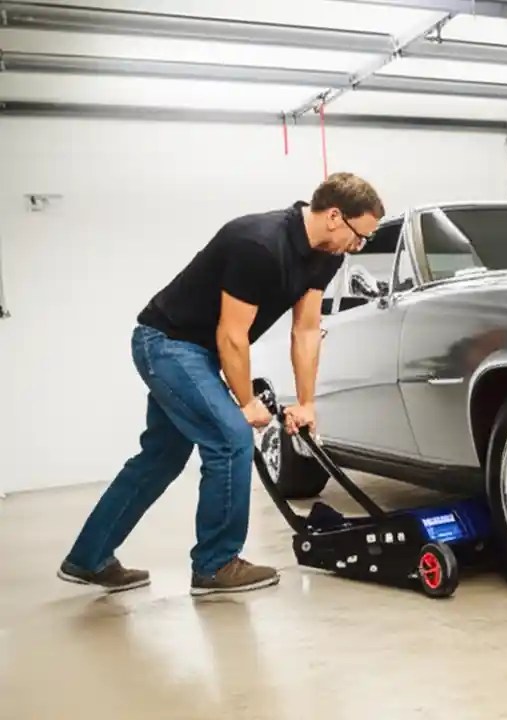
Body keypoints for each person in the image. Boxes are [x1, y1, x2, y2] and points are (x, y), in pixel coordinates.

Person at [58, 172, 385, 596]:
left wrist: (306, 403)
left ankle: (88, 558)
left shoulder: (326, 255)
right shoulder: (259, 243)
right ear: (336, 217)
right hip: (167, 343)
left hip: (199, 353)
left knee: (161, 457)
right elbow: (232, 335)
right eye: (360, 237)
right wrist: (246, 403)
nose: (358, 247)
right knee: (231, 438)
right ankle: (215, 564)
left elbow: (305, 330)